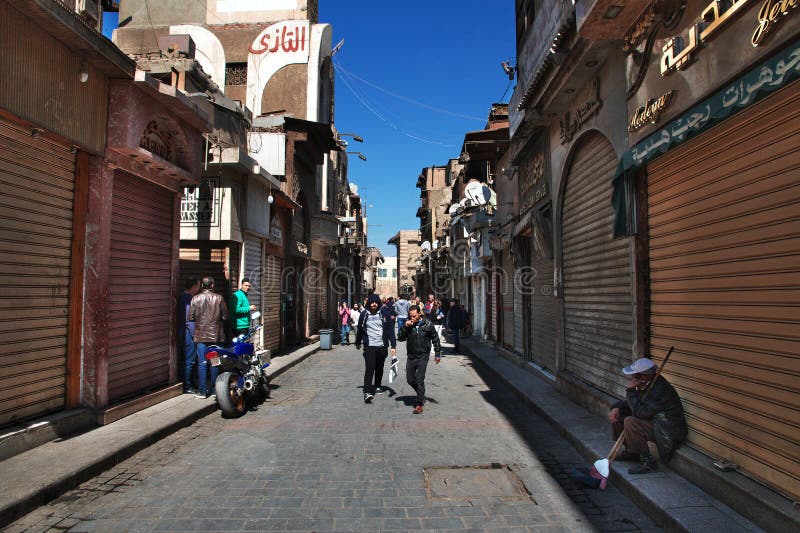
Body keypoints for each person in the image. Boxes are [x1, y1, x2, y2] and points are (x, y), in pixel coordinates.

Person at [608, 358, 687, 474]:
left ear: (643, 377)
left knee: (631, 422)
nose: (631, 378)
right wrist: (617, 407)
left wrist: (630, 391)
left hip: (668, 430)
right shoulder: (647, 383)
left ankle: (649, 462)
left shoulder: (660, 390)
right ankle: (632, 453)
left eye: (634, 375)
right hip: (656, 422)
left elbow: (640, 412)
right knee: (620, 416)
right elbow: (634, 403)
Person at [189, 276, 229, 398]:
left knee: (202, 363)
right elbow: (225, 316)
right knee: (215, 362)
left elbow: (190, 317)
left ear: (202, 285)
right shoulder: (219, 298)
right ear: (212, 285)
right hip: (216, 337)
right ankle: (214, 390)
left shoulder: (195, 299)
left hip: (201, 336)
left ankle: (202, 391)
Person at [398, 305, 441, 414]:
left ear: (419, 314)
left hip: (423, 355)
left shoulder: (428, 324)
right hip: (411, 356)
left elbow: (435, 338)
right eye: (410, 316)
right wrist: (405, 327)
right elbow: (401, 338)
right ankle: (421, 394)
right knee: (410, 379)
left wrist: (437, 353)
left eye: (414, 316)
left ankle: (419, 404)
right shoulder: (408, 325)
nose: (412, 318)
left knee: (419, 379)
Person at [355, 294, 397, 403]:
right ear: (369, 303)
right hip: (369, 345)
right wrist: (358, 342)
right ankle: (367, 392)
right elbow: (360, 329)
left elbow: (390, 330)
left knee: (379, 366)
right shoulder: (364, 314)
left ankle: (377, 385)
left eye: (376, 302)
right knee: (370, 368)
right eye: (372, 302)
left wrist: (393, 345)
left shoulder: (384, 313)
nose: (374, 304)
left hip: (382, 345)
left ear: (378, 303)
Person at [178, 277, 200, 394]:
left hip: (184, 331)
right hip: (187, 333)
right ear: (194, 286)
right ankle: (187, 385)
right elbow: (189, 319)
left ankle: (189, 382)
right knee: (190, 360)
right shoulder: (188, 299)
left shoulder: (183, 296)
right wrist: (193, 334)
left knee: (187, 359)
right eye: (198, 285)